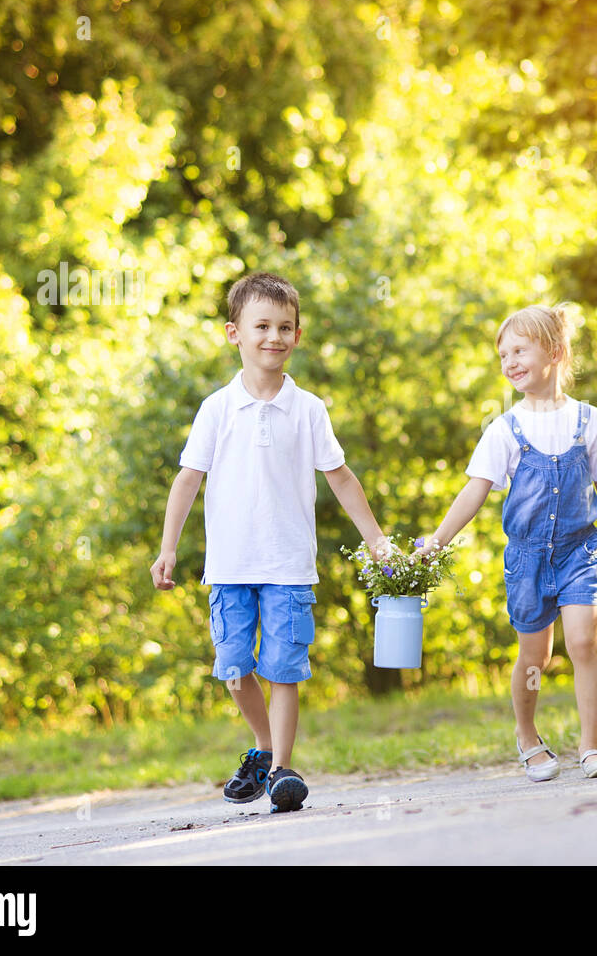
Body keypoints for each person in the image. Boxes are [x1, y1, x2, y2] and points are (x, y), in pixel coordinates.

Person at [150, 272, 389, 812]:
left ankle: (282, 769)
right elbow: (188, 478)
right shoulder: (217, 408)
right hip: (229, 565)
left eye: (285, 327)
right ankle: (261, 747)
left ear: (297, 336)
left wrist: (375, 540)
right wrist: (168, 549)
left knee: (283, 669)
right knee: (234, 670)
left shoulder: (309, 409)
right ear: (234, 333)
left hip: (287, 563)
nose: (273, 337)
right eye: (261, 326)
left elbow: (341, 477)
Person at [419, 304, 597, 781]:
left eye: (520, 350)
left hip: (580, 551)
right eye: (504, 355)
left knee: (583, 641)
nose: (510, 361)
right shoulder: (504, 429)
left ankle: (591, 746)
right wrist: (438, 540)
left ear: (556, 353)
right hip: (526, 561)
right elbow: (475, 489)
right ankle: (527, 735)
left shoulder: (588, 420)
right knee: (535, 657)